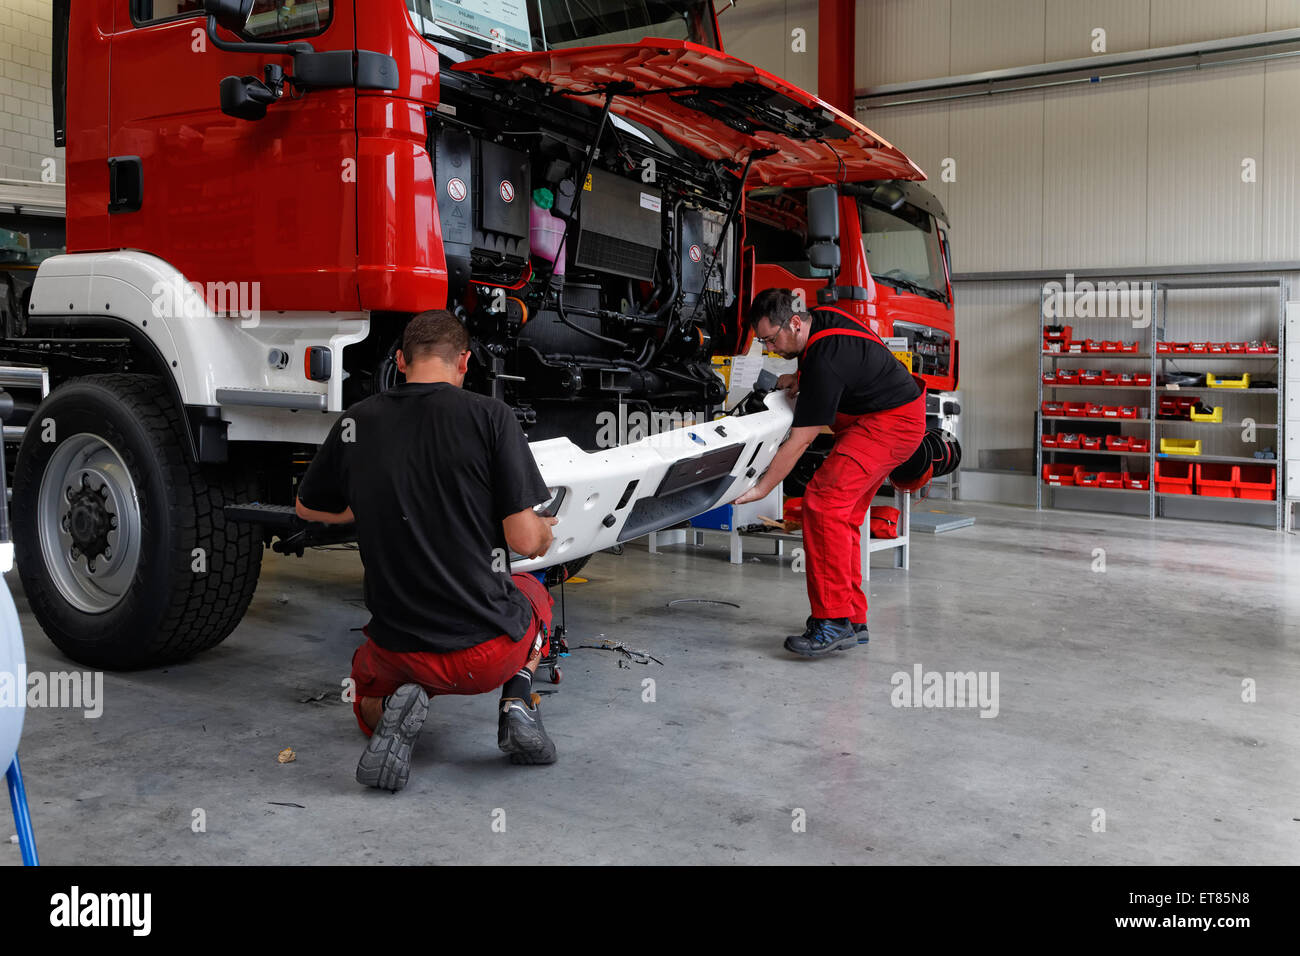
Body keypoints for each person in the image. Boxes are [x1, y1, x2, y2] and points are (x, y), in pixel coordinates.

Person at [295, 309, 561, 791]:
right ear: (463, 362)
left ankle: (397, 706)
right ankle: (516, 701)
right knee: (535, 593)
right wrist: (545, 530)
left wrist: (368, 501)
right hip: (484, 657)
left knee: (363, 697)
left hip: (396, 649)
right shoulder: (490, 417)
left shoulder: (357, 421)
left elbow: (308, 508)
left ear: (400, 360)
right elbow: (524, 541)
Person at [734, 288, 926, 657]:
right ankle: (852, 618)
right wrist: (797, 377)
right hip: (886, 415)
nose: (770, 350)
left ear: (793, 322)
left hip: (890, 423)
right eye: (763, 343)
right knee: (844, 515)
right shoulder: (817, 320)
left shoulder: (826, 358)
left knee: (823, 504)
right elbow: (832, 364)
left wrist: (760, 488)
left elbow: (800, 441)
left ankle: (833, 621)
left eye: (771, 340)